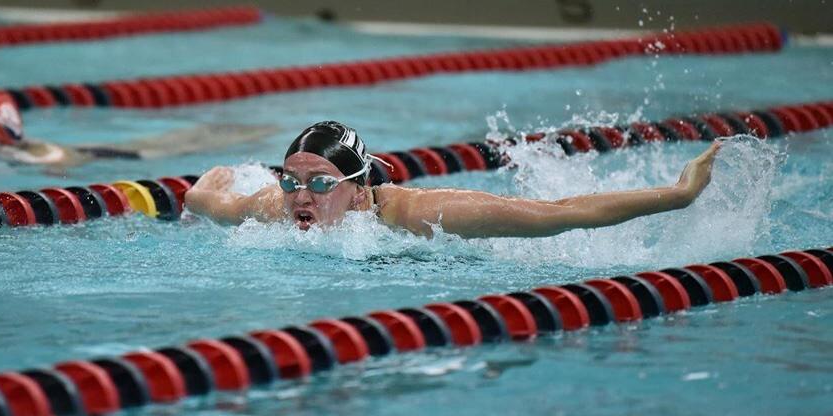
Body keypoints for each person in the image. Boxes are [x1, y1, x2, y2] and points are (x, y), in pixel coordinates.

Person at [186, 120, 721, 239]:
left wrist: (678, 196)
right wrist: (221, 174)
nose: (301, 196)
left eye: (321, 184)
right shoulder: (274, 208)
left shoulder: (423, 215)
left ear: (358, 188)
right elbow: (204, 198)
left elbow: (559, 214)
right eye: (290, 181)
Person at [0, 94, 278, 170]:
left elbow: (62, 159)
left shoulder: (30, 152)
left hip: (109, 153)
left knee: (173, 146)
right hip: (89, 144)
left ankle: (250, 129)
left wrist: (58, 169)